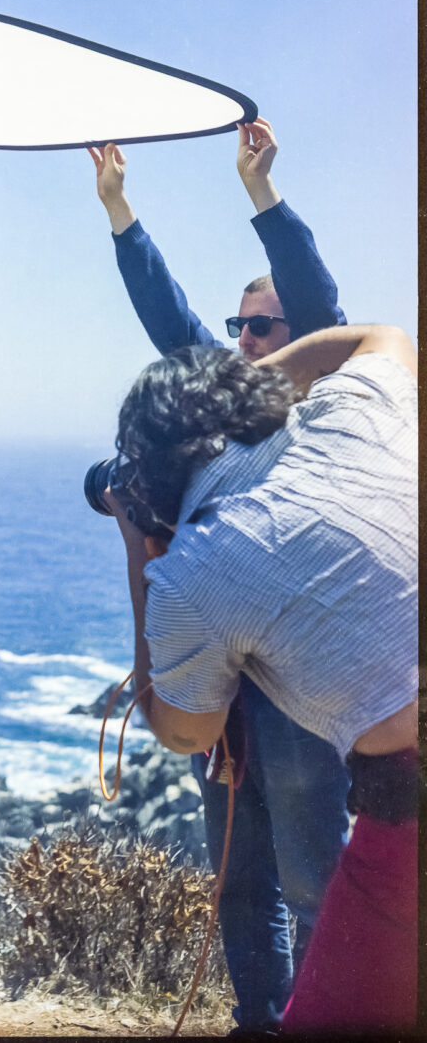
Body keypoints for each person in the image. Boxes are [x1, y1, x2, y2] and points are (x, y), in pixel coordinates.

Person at [88, 119, 351, 1032]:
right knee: (238, 871)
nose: (243, 340)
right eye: (238, 325)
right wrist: (122, 213)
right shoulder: (230, 405)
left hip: (305, 680)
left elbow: (319, 303)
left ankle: (327, 1017)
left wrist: (263, 195)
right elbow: (170, 323)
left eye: (261, 326)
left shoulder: (324, 404)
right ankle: (260, 1016)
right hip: (231, 672)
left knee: (316, 872)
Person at [104, 324, 417, 1033]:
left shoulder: (195, 568)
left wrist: (140, 552)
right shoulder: (357, 411)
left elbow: (185, 729)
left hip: (405, 805)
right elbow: (384, 335)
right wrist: (228, 394)